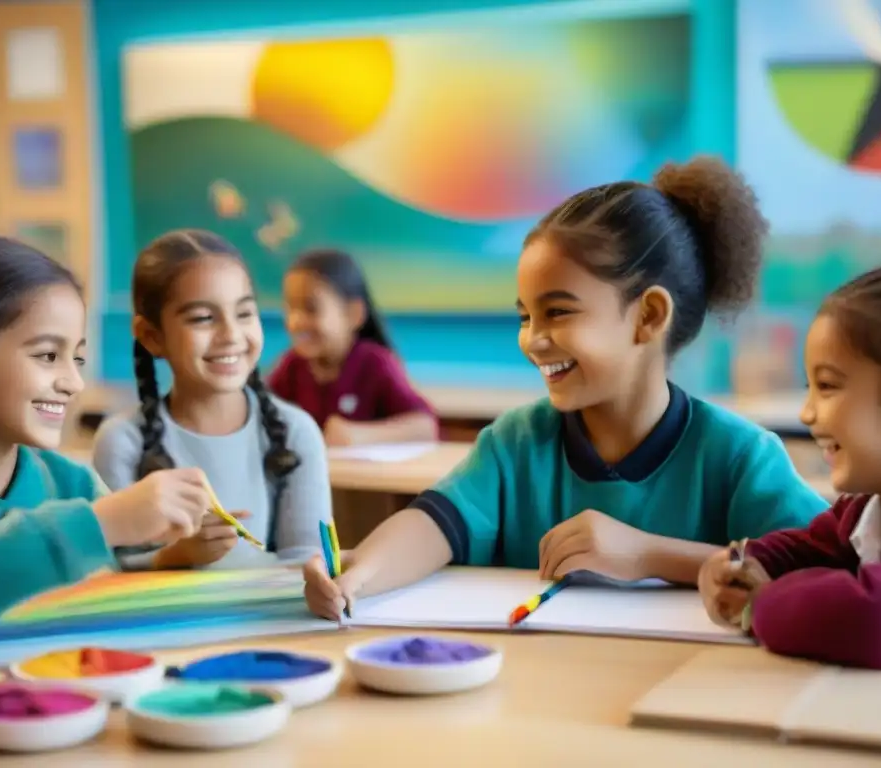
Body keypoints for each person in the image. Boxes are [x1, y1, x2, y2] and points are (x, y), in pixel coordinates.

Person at [304, 156, 828, 620]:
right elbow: (435, 523)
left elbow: (829, 564)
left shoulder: (738, 457)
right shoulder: (517, 442)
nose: (533, 340)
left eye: (557, 312)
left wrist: (647, 555)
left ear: (648, 317)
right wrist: (361, 573)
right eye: (526, 316)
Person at [0, 235, 209, 654]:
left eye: (78, 358)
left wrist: (174, 550)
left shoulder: (73, 485)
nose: (74, 383)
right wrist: (99, 524)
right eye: (48, 356)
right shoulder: (87, 510)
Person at [699, 254, 881, 670]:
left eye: (827, 387)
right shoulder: (865, 510)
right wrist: (737, 567)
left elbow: (877, 618)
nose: (807, 414)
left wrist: (759, 605)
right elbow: (800, 549)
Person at [92, 229, 331, 570]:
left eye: (245, 313)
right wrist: (173, 558)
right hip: (164, 622)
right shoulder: (122, 441)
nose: (231, 335)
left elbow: (306, 558)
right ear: (151, 336)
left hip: (267, 621)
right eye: (203, 318)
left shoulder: (296, 431)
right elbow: (104, 571)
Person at [269, 249, 438, 446]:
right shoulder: (292, 366)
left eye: (311, 308)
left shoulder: (374, 363)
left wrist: (359, 435)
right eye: (291, 308)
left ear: (353, 314)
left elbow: (425, 427)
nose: (296, 322)